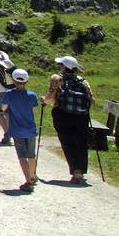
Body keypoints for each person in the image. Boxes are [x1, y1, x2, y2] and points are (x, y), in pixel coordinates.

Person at [47, 55, 94, 184]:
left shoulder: (57, 78)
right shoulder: (83, 81)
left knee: (67, 142)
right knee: (81, 143)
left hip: (62, 115)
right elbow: (91, 100)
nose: (58, 67)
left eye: (60, 65)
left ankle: (75, 171)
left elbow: (51, 98)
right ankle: (81, 170)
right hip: (82, 116)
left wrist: (44, 101)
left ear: (64, 67)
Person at [0, 68, 40, 192]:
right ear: (26, 81)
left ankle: (28, 181)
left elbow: (3, 108)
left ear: (13, 80)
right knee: (31, 154)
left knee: (22, 156)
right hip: (30, 129)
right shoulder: (32, 95)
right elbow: (33, 111)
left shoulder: (9, 94)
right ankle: (32, 176)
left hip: (17, 129)